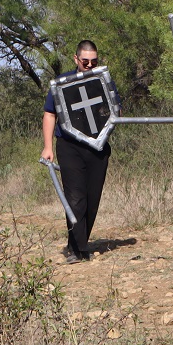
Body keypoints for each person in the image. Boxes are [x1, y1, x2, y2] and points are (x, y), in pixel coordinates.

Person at [42, 40, 114, 264]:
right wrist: (47, 147)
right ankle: (76, 249)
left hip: (97, 147)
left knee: (92, 199)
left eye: (94, 61)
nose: (90, 65)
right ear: (76, 59)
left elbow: (113, 110)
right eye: (86, 61)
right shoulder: (62, 83)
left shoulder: (103, 81)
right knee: (75, 197)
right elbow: (50, 113)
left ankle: (82, 242)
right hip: (69, 147)